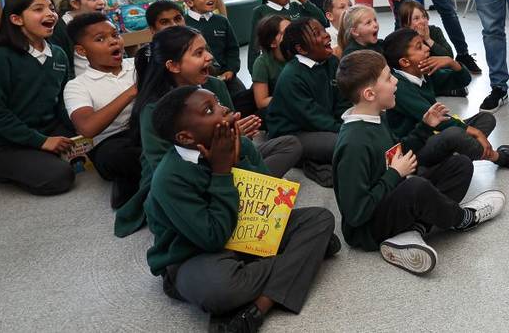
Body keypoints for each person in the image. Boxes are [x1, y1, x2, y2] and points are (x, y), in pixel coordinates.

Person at [145, 86, 337, 331]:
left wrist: (239, 160)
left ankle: (260, 306)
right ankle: (305, 257)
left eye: (217, 101)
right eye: (209, 110)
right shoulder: (170, 178)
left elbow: (268, 205)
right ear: (185, 138)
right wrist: (222, 172)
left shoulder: (241, 145)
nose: (223, 108)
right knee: (219, 289)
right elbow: (212, 238)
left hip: (248, 233)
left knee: (320, 219)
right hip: (195, 253)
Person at [332, 50, 505, 274]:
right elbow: (356, 214)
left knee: (460, 165)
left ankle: (414, 230)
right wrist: (394, 174)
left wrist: (424, 127)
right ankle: (464, 218)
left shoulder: (377, 117)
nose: (396, 81)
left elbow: (398, 152)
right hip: (367, 230)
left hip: (393, 192)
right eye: (388, 78)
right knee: (416, 186)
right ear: (369, 94)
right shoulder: (354, 143)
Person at [116, 27, 297, 237]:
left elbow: (229, 118)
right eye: (199, 53)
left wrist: (233, 135)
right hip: (189, 173)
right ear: (173, 66)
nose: (210, 57)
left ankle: (242, 190)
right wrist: (219, 152)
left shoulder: (214, 86)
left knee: (290, 144)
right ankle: (230, 195)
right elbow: (161, 164)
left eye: (207, 50)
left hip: (227, 157)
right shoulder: (154, 108)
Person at [383, 29, 509, 169]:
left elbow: (463, 81)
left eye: (424, 43)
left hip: (432, 136)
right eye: (419, 47)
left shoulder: (423, 72)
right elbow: (436, 119)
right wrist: (475, 133)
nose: (426, 48)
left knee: (486, 118)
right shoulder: (399, 87)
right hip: (414, 152)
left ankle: (455, 154)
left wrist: (452, 63)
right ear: (404, 62)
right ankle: (501, 158)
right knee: (455, 132)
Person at [0, 0, 74, 196]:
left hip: (44, 128)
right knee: (59, 177)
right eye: (39, 9)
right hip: (2, 142)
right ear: (16, 19)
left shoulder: (58, 54)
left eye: (52, 8)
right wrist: (41, 142)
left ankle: (35, 158)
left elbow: (63, 100)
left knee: (94, 141)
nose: (50, 14)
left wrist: (79, 129)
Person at [63, 12, 140, 208]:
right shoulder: (78, 85)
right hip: (111, 142)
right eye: (100, 39)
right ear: (81, 50)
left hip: (147, 130)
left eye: (115, 35)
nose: (114, 42)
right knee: (120, 157)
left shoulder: (138, 66)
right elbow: (87, 128)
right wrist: (132, 92)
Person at [267, 18, 350, 173]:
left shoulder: (331, 61)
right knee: (343, 142)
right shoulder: (292, 76)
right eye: (317, 33)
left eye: (324, 30)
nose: (326, 35)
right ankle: (310, 164)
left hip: (323, 122)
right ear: (302, 49)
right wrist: (344, 129)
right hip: (295, 132)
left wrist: (350, 121)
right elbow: (312, 117)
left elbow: (342, 99)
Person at [247, 0, 326, 73]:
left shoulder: (295, 6)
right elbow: (255, 43)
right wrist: (253, 71)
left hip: (302, 58)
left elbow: (322, 20)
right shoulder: (261, 11)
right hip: (278, 64)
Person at [180, 0, 243, 96]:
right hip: (197, 79)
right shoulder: (183, 24)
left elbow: (232, 48)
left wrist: (231, 70)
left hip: (225, 74)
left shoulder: (221, 20)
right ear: (189, 2)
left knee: (244, 97)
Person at [51, 0, 108, 78]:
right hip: (83, 83)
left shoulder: (104, 22)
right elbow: (62, 66)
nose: (101, 2)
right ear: (75, 4)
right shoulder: (62, 27)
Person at [251, 15, 291, 116]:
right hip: (281, 108)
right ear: (273, 43)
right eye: (287, 32)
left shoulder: (299, 53)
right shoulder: (262, 63)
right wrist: (293, 97)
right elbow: (261, 102)